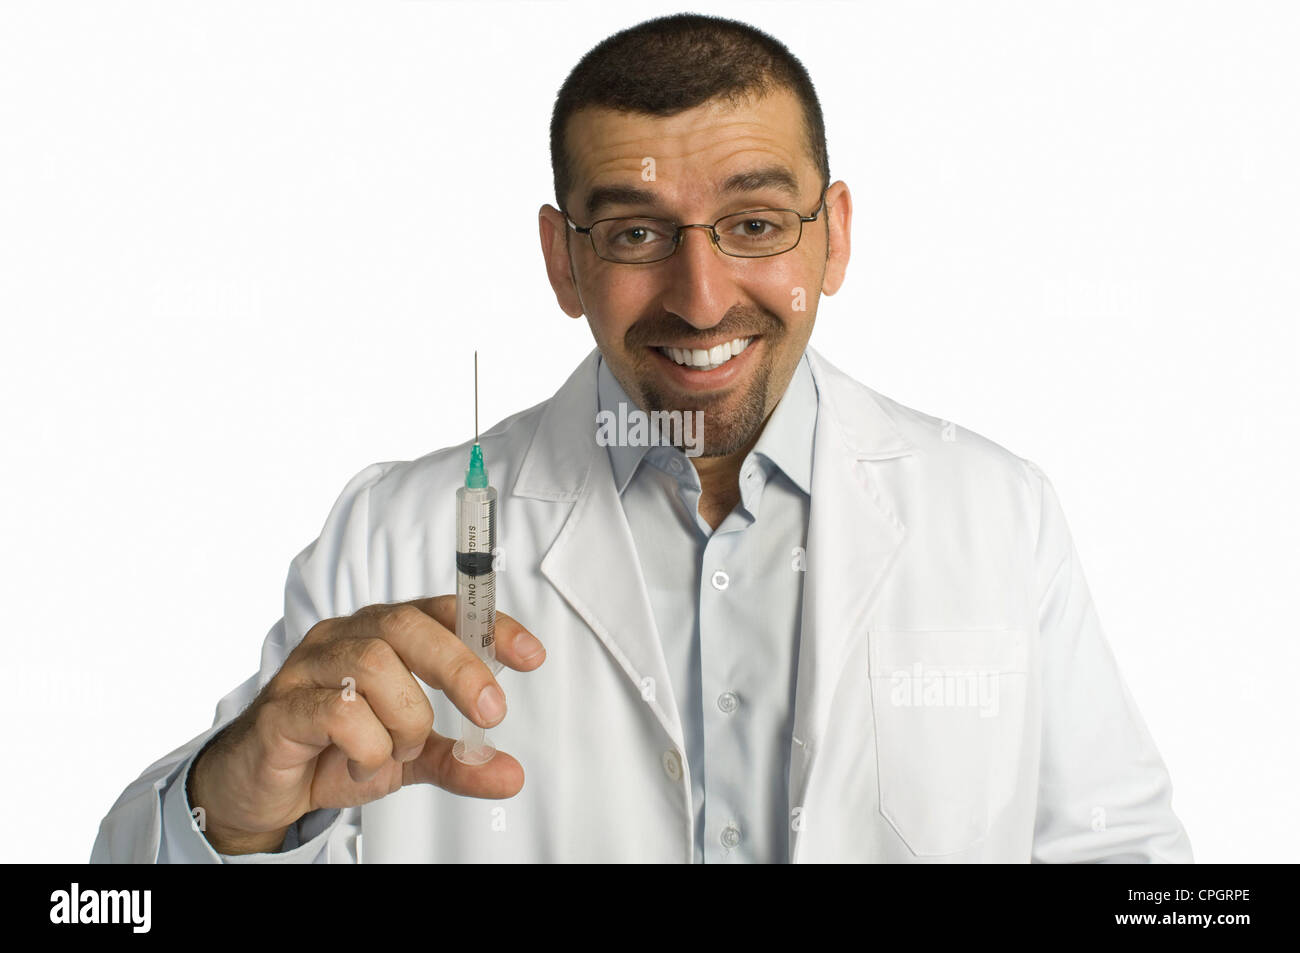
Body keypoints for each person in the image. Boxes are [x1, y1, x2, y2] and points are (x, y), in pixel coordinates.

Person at [92, 13, 1192, 863]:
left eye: (754, 224)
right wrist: (227, 809)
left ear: (836, 235)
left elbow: (1135, 865)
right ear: (563, 260)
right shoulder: (400, 531)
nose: (702, 298)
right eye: (633, 233)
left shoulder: (994, 510)